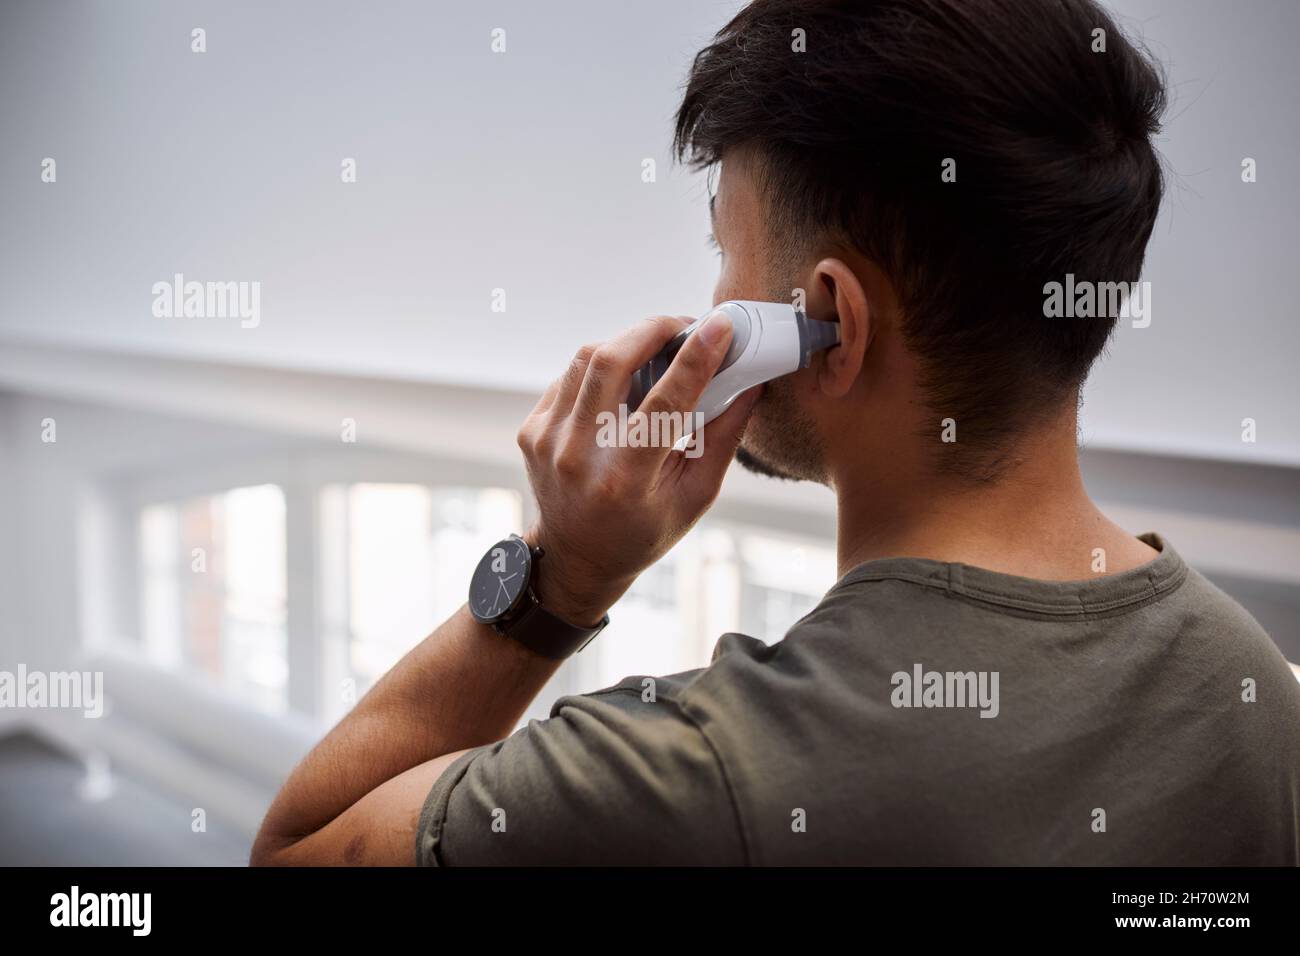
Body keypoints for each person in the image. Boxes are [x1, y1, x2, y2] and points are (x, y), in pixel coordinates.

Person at [251, 0, 1300, 866]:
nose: (706, 300)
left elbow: (293, 848)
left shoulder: (691, 773)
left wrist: (559, 579)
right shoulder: (1252, 688)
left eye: (725, 253)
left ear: (830, 325)